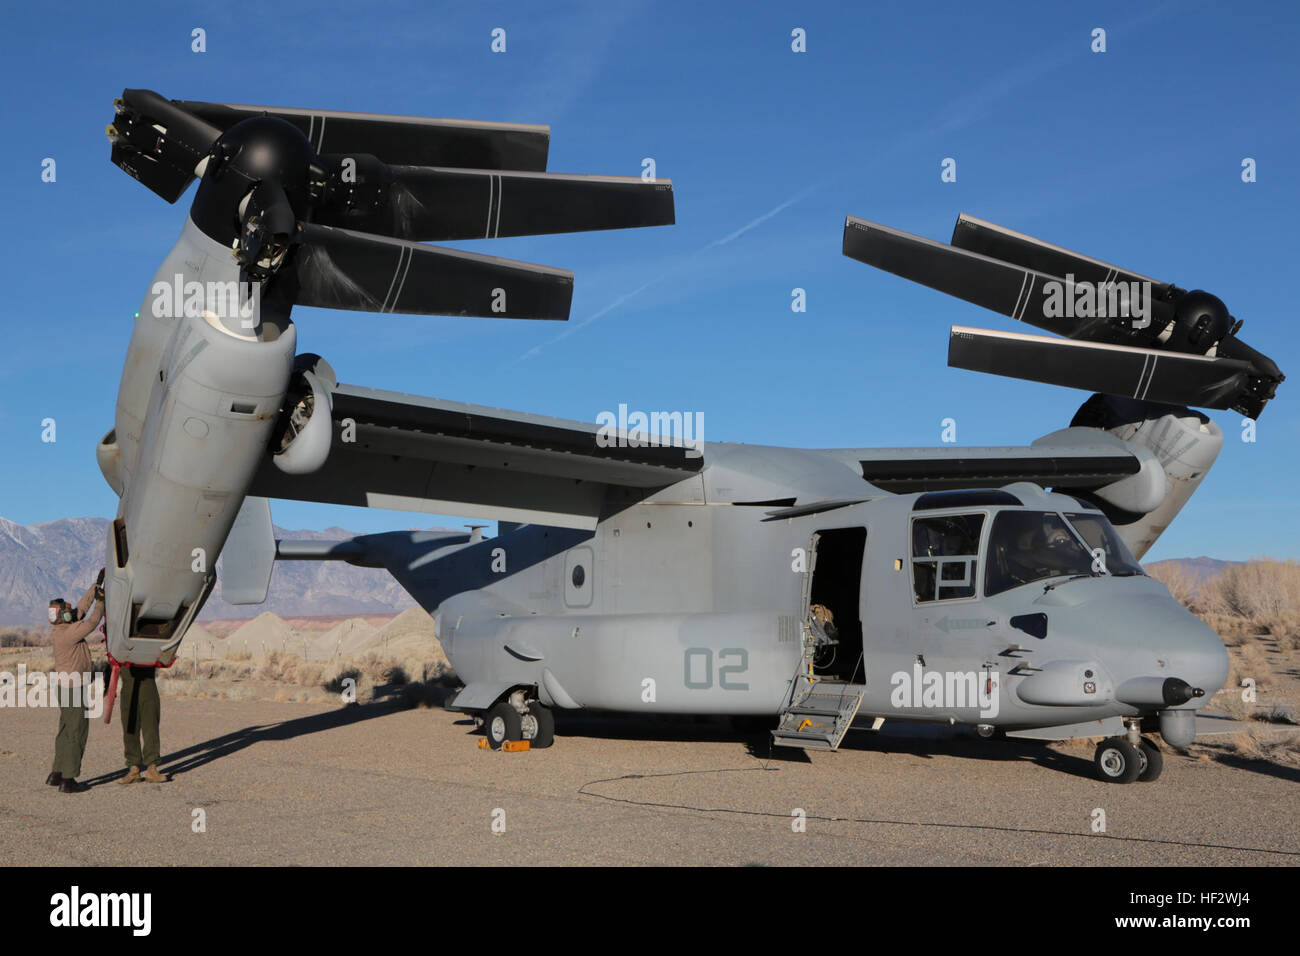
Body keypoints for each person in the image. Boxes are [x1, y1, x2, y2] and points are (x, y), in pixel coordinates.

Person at [47, 570, 105, 794]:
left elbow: (80, 609)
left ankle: (57, 772)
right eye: (68, 611)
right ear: (62, 616)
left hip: (64, 686)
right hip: (73, 687)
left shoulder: (62, 628)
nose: (72, 612)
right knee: (77, 730)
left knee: (64, 728)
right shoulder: (69, 633)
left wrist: (95, 587)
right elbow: (92, 621)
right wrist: (101, 603)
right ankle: (69, 779)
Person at [118, 660, 167, 785]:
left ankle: (152, 768)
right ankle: (133, 768)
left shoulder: (151, 639)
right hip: (129, 684)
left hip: (148, 683)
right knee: (130, 727)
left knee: (151, 726)